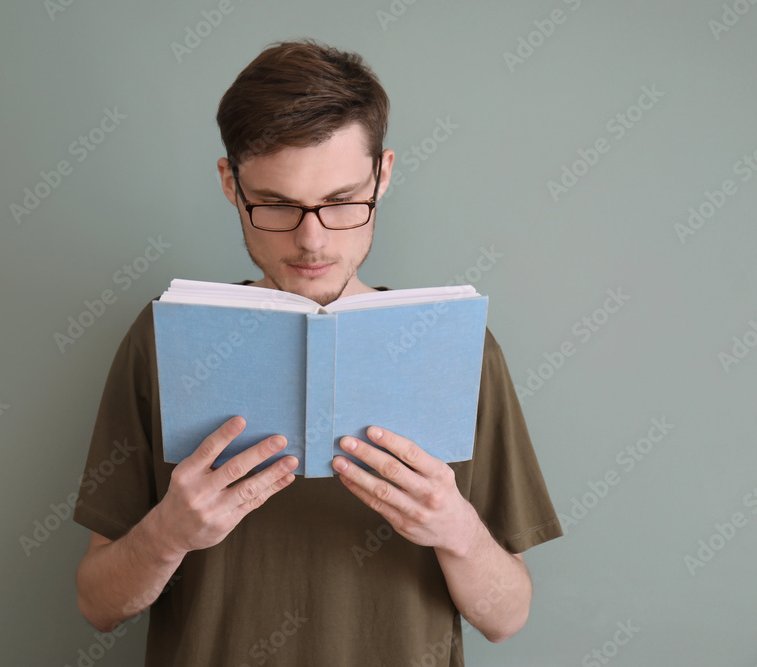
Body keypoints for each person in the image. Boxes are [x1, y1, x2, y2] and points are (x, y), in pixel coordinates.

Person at [72, 39, 562, 666]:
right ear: (230, 184)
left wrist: (458, 532)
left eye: (340, 202)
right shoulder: (164, 336)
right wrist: (167, 536)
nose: (311, 240)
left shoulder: (457, 346)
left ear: (383, 175)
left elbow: (508, 616)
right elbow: (98, 603)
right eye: (275, 205)